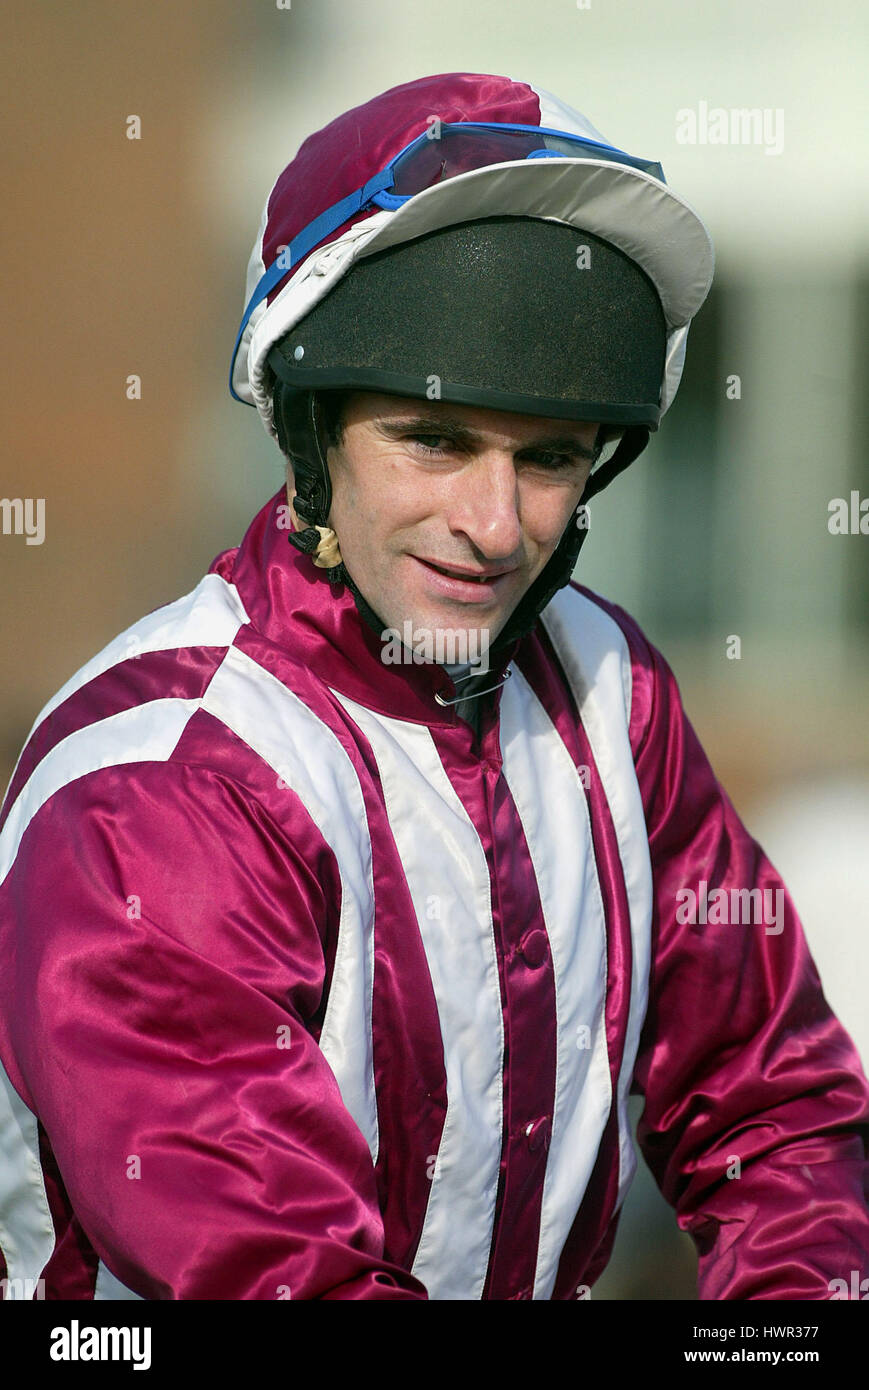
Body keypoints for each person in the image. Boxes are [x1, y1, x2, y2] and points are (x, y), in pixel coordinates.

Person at [0, 70, 867, 1303]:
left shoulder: (612, 694)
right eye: (435, 439)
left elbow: (774, 1112)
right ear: (310, 431)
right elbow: (272, 1273)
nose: (492, 524)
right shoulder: (166, 783)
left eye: (551, 458)